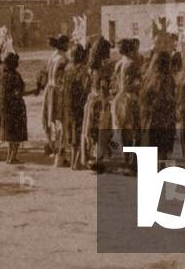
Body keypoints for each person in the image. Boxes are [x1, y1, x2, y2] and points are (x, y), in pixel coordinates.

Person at [80, 38, 113, 171]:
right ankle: (99, 160)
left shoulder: (90, 67)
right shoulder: (103, 69)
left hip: (91, 100)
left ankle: (91, 158)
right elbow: (104, 88)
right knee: (102, 131)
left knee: (91, 130)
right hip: (101, 102)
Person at [139, 51, 178, 162]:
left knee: (152, 147)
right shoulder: (166, 78)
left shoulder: (148, 77)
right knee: (163, 150)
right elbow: (168, 97)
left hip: (151, 117)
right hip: (164, 117)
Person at [111, 38, 141, 171]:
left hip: (119, 98)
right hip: (130, 98)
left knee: (123, 130)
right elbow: (131, 85)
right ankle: (131, 162)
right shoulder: (132, 64)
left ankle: (126, 160)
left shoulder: (119, 64)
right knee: (133, 130)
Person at [60, 43, 90, 170]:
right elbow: (85, 87)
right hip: (79, 103)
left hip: (68, 103)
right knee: (78, 131)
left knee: (72, 132)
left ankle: (73, 161)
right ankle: (76, 161)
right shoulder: (81, 70)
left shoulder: (68, 68)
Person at [41, 35, 69, 159]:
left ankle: (51, 144)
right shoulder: (63, 58)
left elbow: (46, 73)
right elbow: (60, 78)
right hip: (57, 91)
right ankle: (58, 148)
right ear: (63, 44)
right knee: (60, 118)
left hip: (49, 89)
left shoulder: (52, 56)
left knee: (50, 118)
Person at [0, 51, 28, 165]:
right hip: (15, 108)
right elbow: (19, 93)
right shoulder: (15, 76)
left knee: (10, 134)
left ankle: (9, 157)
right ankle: (13, 157)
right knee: (16, 135)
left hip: (6, 108)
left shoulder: (3, 75)